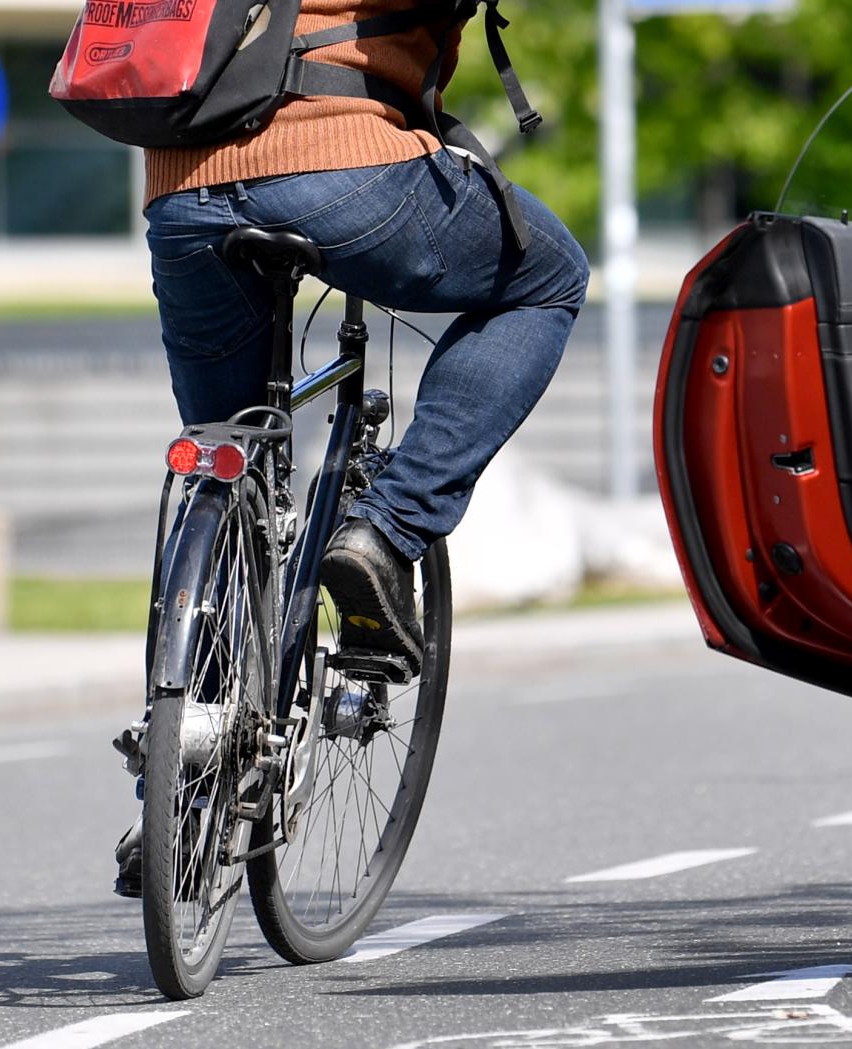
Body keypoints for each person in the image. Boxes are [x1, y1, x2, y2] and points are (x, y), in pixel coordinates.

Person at [113, 0, 589, 896]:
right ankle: (385, 528)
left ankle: (178, 774)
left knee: (228, 454)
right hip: (341, 169)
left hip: (178, 188)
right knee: (549, 278)